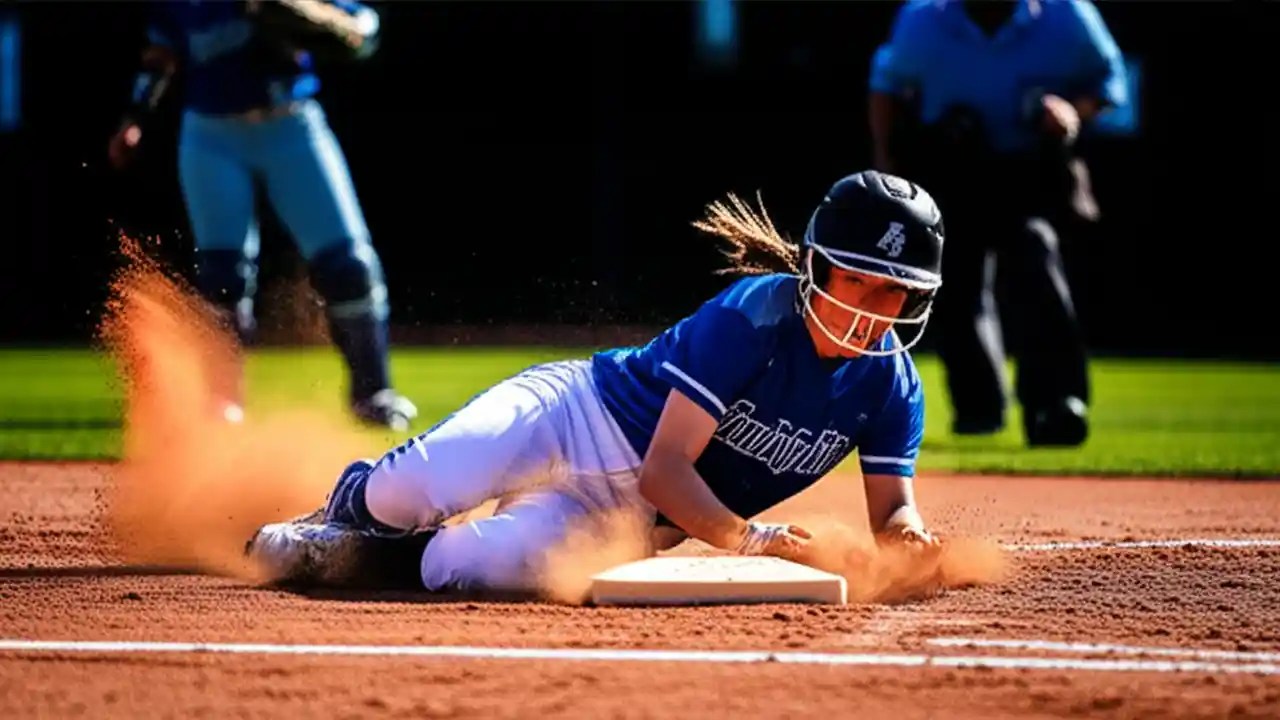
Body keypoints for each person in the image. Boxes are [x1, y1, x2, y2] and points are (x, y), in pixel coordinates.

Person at [246, 170, 947, 595]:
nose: (871, 306)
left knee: (470, 565)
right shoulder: (755, 317)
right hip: (575, 413)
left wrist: (908, 541)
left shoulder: (892, 388)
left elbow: (893, 514)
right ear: (816, 267)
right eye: (857, 279)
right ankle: (353, 507)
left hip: (618, 524)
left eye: (895, 292)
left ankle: (360, 558)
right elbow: (665, 472)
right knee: (416, 489)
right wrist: (751, 540)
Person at [107, 0, 418, 431]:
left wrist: (339, 23)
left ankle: (374, 393)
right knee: (222, 277)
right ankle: (223, 401)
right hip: (211, 134)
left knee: (350, 266)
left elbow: (364, 26)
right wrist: (136, 115)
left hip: (291, 124)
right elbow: (161, 56)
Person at [868, 0, 1129, 446]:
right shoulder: (923, 19)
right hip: (953, 166)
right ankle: (978, 408)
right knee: (957, 284)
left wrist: (1072, 111)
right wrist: (887, 164)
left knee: (1035, 251)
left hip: (1029, 169)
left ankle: (1056, 403)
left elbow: (1110, 81)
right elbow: (886, 86)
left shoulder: (1068, 16)